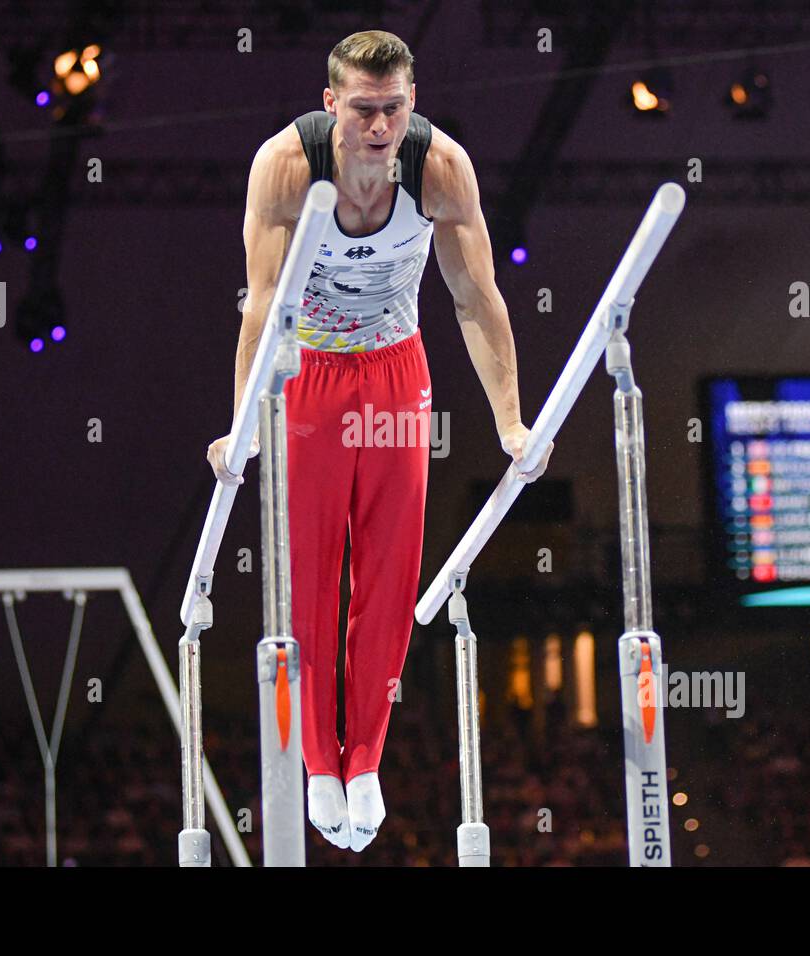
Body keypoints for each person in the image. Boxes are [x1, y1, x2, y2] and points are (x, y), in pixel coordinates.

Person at [207, 30, 553, 852]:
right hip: (311, 375)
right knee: (312, 571)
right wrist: (242, 425)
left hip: (398, 369)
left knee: (391, 571)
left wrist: (510, 419)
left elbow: (476, 298)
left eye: (394, 109)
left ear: (411, 104)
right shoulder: (285, 168)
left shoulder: (441, 169)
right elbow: (258, 309)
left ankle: (366, 760)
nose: (379, 126)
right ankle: (318, 762)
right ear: (331, 105)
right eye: (363, 109)